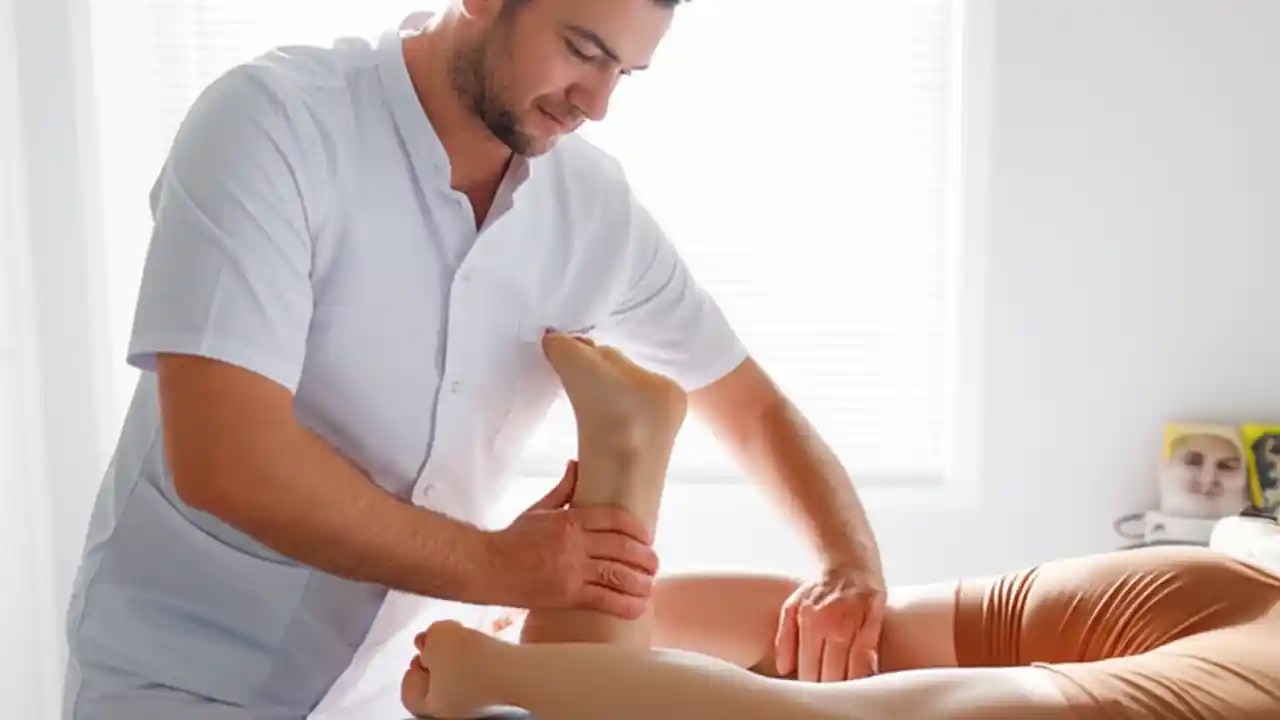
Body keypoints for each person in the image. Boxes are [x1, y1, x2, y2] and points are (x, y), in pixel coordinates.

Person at [63, 2, 886, 717]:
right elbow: (228, 460)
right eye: (583, 50)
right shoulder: (272, 126)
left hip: (404, 691)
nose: (595, 103)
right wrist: (500, 566)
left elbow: (750, 404)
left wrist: (848, 564)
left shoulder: (593, 214)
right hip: (179, 686)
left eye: (625, 73)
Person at [402, 333, 1280, 720]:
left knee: (836, 634)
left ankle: (621, 465)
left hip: (1240, 578)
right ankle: (508, 659)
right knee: (830, 698)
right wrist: (491, 676)